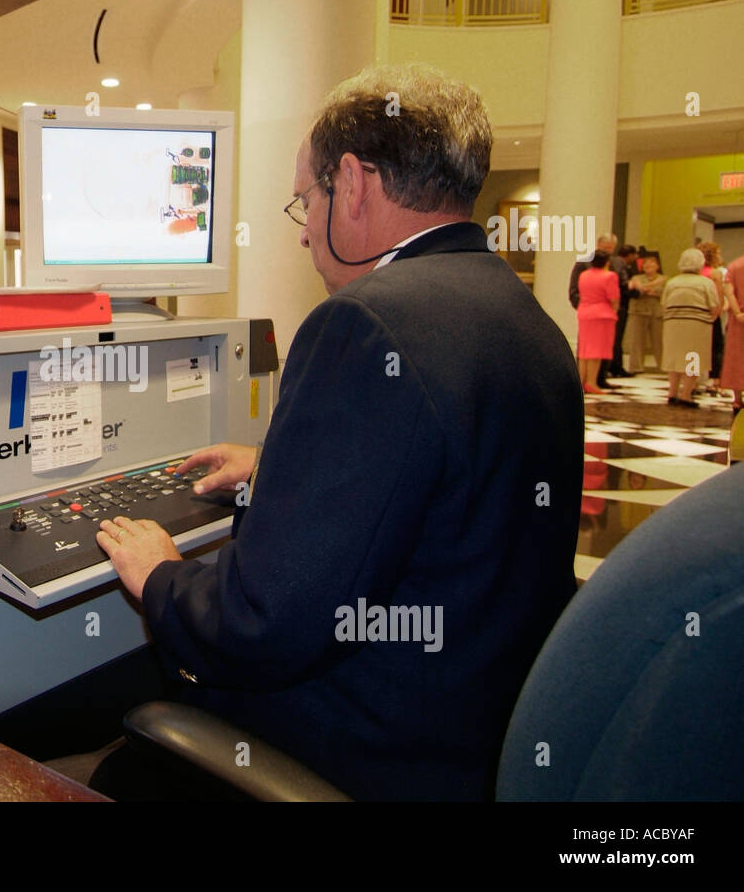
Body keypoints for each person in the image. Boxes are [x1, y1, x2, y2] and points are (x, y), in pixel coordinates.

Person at [92, 64, 581, 801]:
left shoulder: (366, 321)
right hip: (478, 735)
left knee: (108, 744)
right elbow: (451, 487)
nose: (300, 236)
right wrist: (279, 467)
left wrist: (161, 575)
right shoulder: (527, 317)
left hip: (367, 752)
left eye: (304, 200)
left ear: (351, 183)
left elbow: (264, 623)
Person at [661, 247, 720, 408]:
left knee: (674, 360)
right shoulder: (706, 283)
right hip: (697, 325)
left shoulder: (672, 282)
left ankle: (672, 393)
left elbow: (664, 305)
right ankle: (686, 395)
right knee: (692, 360)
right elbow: (715, 306)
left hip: (673, 324)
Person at [576, 249, 620, 394]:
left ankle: (581, 381)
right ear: (607, 262)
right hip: (602, 314)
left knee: (584, 350)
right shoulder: (609, 276)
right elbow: (614, 298)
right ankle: (592, 382)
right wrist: (614, 310)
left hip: (584, 312)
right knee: (596, 350)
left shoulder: (583, 275)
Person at [625, 253, 665, 372]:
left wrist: (645, 289)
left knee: (659, 341)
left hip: (657, 313)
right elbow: (638, 288)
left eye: (652, 263)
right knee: (637, 341)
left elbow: (664, 292)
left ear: (657, 266)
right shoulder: (636, 278)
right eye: (646, 264)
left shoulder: (665, 278)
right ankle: (636, 367)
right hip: (638, 312)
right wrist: (653, 288)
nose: (648, 265)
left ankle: (663, 367)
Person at [698, 242, 727, 393]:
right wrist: (718, 312)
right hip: (711, 314)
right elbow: (718, 298)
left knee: (693, 349)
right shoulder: (715, 274)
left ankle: (692, 378)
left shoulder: (695, 272)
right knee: (716, 347)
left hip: (695, 316)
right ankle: (716, 380)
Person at [608, 244, 640, 376]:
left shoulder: (614, 263)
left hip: (613, 307)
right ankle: (615, 367)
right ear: (630, 255)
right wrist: (634, 288)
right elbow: (624, 285)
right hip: (619, 306)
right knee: (616, 337)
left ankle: (614, 366)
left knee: (615, 338)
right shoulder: (621, 264)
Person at [719, 253, 744, 414]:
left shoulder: (735, 265)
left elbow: (729, 292)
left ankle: (737, 399)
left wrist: (738, 313)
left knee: (736, 356)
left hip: (738, 319)